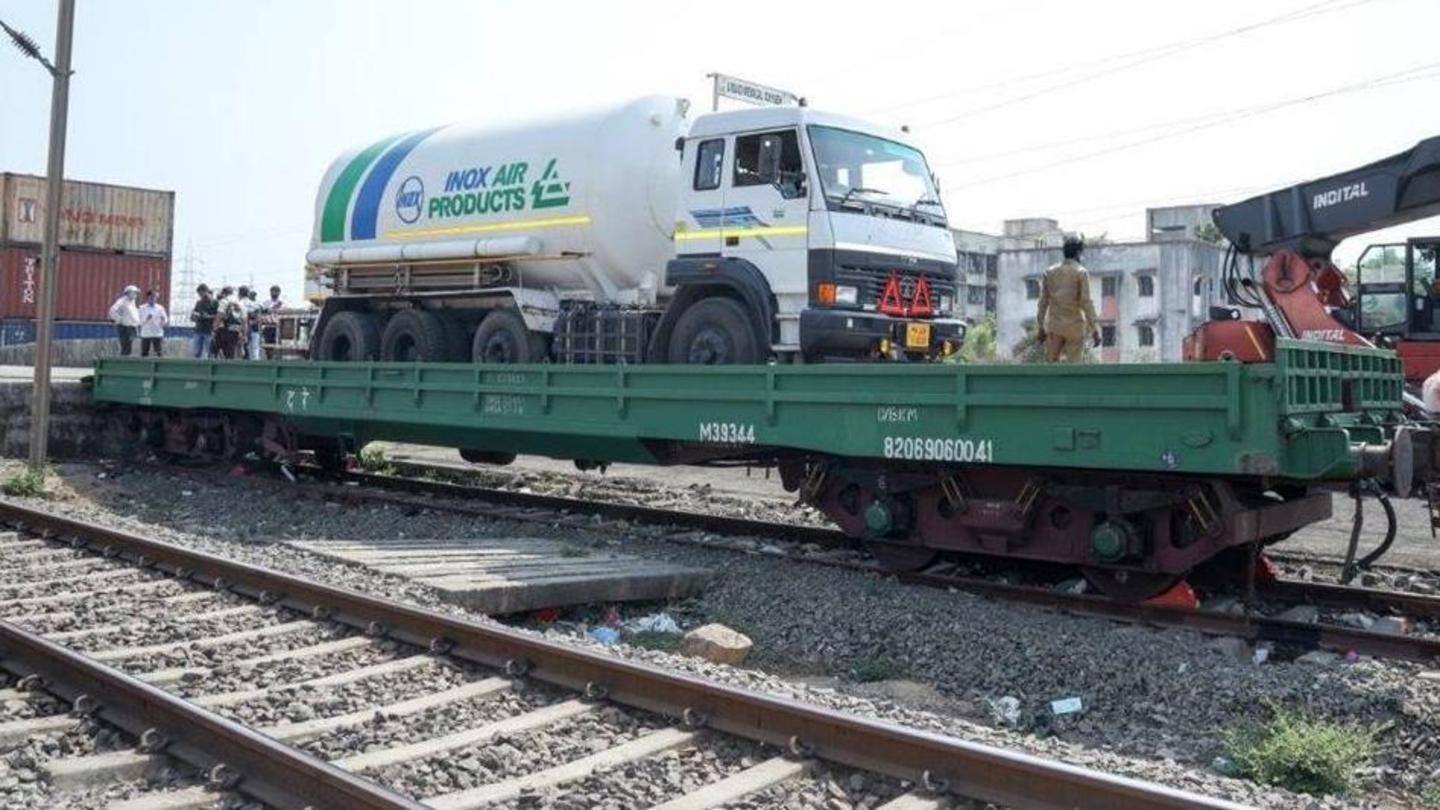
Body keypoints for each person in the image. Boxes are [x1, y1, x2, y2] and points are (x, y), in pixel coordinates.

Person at [1036, 236, 1101, 363]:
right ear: (1078, 253)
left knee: (1051, 365)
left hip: (1055, 326)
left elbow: (1043, 302)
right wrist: (1095, 328)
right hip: (1075, 327)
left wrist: (1040, 327)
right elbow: (1086, 302)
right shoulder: (1081, 272)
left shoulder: (1050, 272)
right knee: (1074, 367)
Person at [107, 285, 141, 357]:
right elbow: (112, 310)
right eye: (135, 292)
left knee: (129, 346)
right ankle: (123, 361)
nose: (136, 294)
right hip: (124, 327)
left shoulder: (132, 301)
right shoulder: (122, 301)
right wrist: (119, 319)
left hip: (132, 327)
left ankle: (126, 360)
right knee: (125, 346)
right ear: (129, 293)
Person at [214, 286, 245, 359]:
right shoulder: (239, 302)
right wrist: (244, 333)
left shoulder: (224, 301)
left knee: (217, 349)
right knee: (232, 351)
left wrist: (214, 327)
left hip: (226, 328)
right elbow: (244, 319)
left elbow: (220, 315)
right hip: (236, 329)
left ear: (224, 293)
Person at [189, 285, 218, 358]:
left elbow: (219, 316)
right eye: (199, 294)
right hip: (198, 329)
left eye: (201, 293)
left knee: (208, 352)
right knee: (196, 352)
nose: (200, 295)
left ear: (206, 291)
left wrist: (209, 316)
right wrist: (194, 317)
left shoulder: (215, 303)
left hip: (209, 330)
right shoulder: (199, 303)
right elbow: (194, 313)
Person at [137, 290, 168, 357]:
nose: (153, 299)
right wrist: (146, 319)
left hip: (157, 333)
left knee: (158, 353)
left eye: (155, 297)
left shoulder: (160, 308)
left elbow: (165, 320)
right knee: (144, 353)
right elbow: (138, 322)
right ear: (148, 297)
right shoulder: (142, 308)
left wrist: (163, 320)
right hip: (146, 334)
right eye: (151, 297)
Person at [260, 285, 285, 359]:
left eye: (276, 291)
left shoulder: (283, 303)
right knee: (268, 345)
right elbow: (261, 312)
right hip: (268, 326)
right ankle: (269, 359)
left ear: (279, 292)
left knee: (278, 345)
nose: (274, 293)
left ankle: (277, 359)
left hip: (278, 327)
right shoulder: (266, 303)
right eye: (273, 291)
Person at [246, 288, 263, 360]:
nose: (253, 296)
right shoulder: (246, 303)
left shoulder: (258, 304)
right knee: (248, 346)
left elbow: (259, 315)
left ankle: (255, 360)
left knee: (255, 346)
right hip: (247, 326)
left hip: (255, 328)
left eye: (254, 295)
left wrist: (255, 320)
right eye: (251, 295)